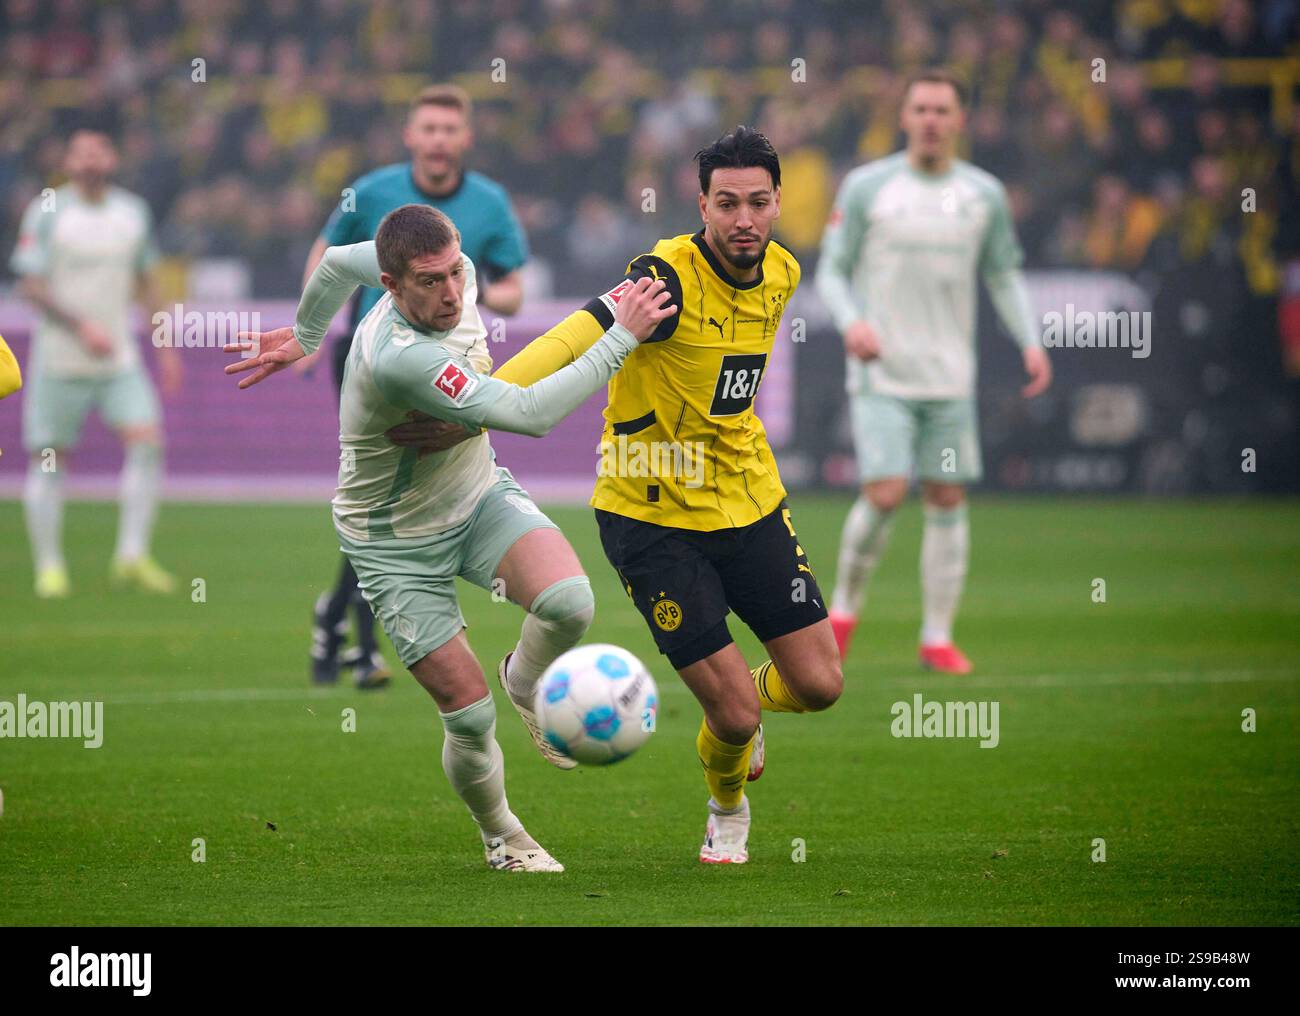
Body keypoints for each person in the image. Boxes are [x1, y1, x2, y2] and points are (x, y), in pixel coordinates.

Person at [389, 127, 844, 865]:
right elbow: (578, 335)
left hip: (749, 501)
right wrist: (486, 398)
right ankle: (727, 807)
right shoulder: (665, 274)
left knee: (821, 685)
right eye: (726, 203)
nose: (743, 220)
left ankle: (748, 704)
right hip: (652, 521)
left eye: (758, 202)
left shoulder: (784, 271)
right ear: (702, 205)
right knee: (730, 713)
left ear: (777, 203)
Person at [226, 204, 673, 872]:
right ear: (393, 284)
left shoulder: (436, 269)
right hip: (392, 541)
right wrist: (622, 337)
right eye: (429, 282)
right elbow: (530, 413)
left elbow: (334, 263)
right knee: (467, 717)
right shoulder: (399, 357)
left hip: (474, 495)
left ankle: (524, 681)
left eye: (454, 272)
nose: (453, 293)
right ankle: (502, 836)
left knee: (571, 604)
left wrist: (304, 334)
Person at [816, 69, 1052, 674]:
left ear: (960, 120)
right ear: (903, 117)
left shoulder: (983, 195)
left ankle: (937, 637)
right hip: (882, 373)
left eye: (942, 110)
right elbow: (831, 271)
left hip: (949, 377)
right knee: (887, 491)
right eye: (920, 108)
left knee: (947, 495)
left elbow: (1002, 273)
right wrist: (851, 323)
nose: (930, 120)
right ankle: (840, 616)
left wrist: (1030, 340)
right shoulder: (869, 187)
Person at [299, 84, 529, 689]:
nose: (438, 139)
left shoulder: (489, 203)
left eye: (448, 129)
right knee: (385, 496)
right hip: (372, 360)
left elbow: (514, 288)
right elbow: (327, 254)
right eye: (427, 128)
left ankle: (338, 619)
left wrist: (467, 287)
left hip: (447, 358)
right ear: (411, 136)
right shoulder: (372, 192)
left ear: (465, 138)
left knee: (399, 501)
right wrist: (309, 333)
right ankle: (363, 644)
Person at [10, 128, 181, 599]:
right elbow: (30, 283)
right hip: (60, 360)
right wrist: (80, 325)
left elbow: (149, 281)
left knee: (147, 442)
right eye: (81, 152)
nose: (90, 160)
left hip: (118, 359)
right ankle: (49, 567)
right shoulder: (48, 210)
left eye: (99, 151)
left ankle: (131, 555)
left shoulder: (132, 212)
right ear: (68, 160)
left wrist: (164, 347)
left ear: (112, 158)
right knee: (49, 459)